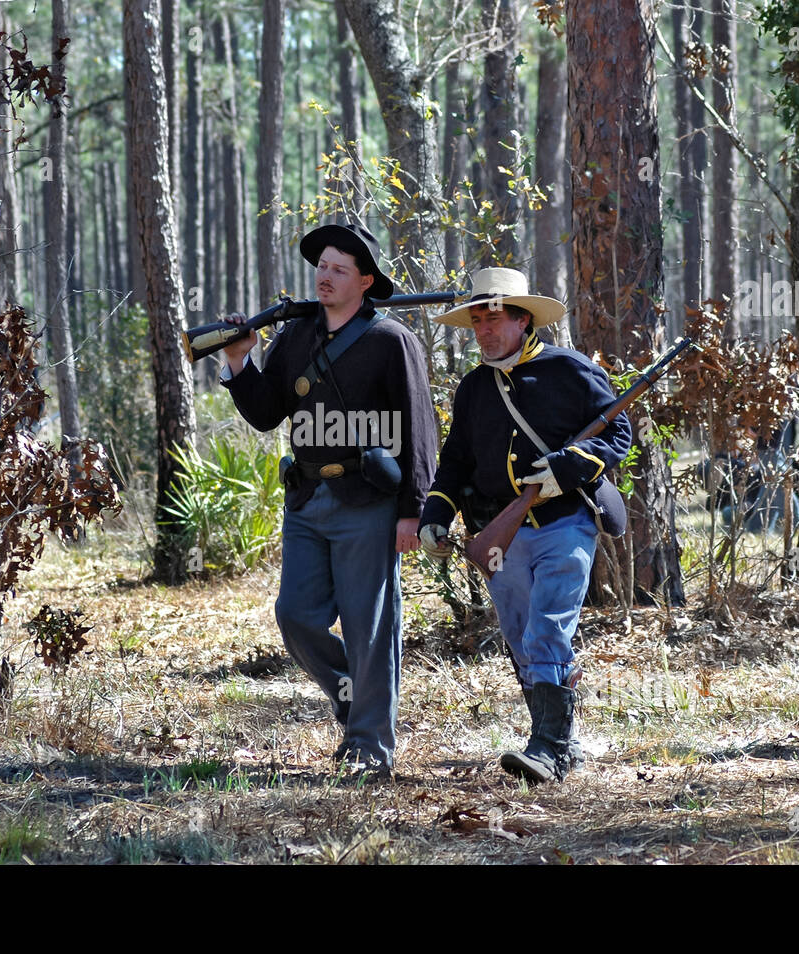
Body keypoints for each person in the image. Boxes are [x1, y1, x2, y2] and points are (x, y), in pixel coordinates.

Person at [218, 221, 437, 780]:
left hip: (369, 501)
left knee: (370, 626)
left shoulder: (392, 341)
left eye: (340, 269)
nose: (326, 277)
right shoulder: (295, 337)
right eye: (322, 267)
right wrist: (242, 360)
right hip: (307, 498)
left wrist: (413, 510)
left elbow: (418, 429)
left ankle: (370, 745)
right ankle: (355, 695)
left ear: (366, 281)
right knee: (296, 616)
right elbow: (267, 412)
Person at [417, 268, 631, 784]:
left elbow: (618, 433)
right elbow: (456, 460)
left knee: (548, 628)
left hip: (564, 523)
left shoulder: (571, 371)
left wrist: (569, 466)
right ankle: (562, 740)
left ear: (521, 319)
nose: (484, 332)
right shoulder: (473, 389)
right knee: (518, 636)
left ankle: (549, 750)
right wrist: (435, 514)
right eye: (477, 323)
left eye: (493, 320)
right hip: (500, 533)